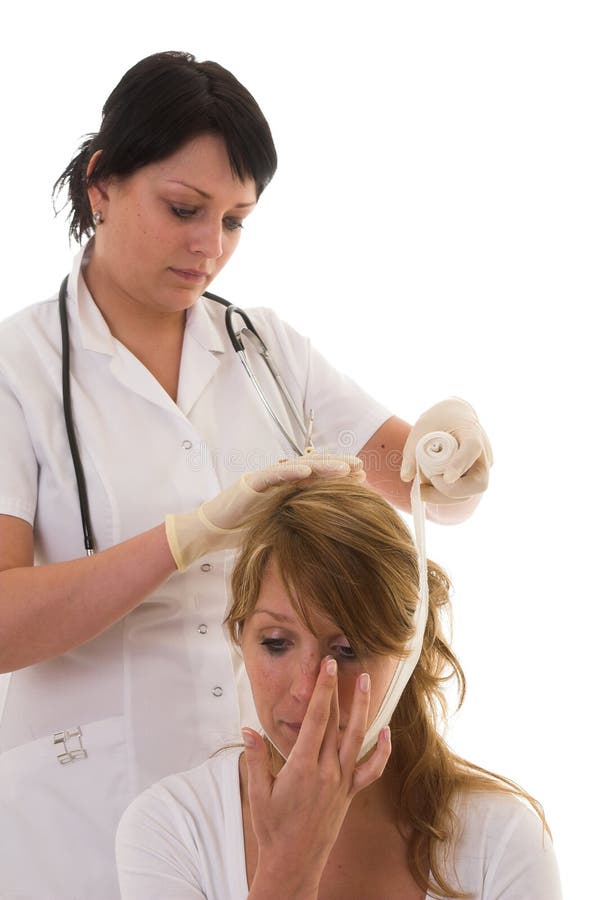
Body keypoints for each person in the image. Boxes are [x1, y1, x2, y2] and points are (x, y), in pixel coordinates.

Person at [0, 50, 492, 899]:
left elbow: (421, 479)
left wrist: (459, 456)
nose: (209, 249)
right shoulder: (19, 369)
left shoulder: (264, 349)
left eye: (235, 220)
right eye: (184, 209)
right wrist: (186, 539)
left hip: (266, 808)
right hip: (85, 812)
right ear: (100, 184)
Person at [117, 479, 561, 899]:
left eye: (347, 650)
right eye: (276, 643)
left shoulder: (502, 838)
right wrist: (289, 864)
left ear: (407, 654)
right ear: (240, 639)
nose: (309, 690)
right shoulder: (172, 827)